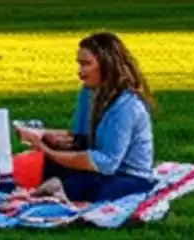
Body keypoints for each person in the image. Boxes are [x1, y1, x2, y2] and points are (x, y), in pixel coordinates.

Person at [16, 33, 156, 203]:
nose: (80, 71)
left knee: (78, 184)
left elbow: (107, 163)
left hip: (126, 176)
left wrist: (48, 150)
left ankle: (58, 190)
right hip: (97, 169)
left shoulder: (126, 106)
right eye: (79, 64)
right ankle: (54, 187)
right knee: (46, 165)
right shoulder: (88, 92)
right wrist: (43, 135)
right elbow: (79, 138)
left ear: (107, 65)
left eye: (86, 64)